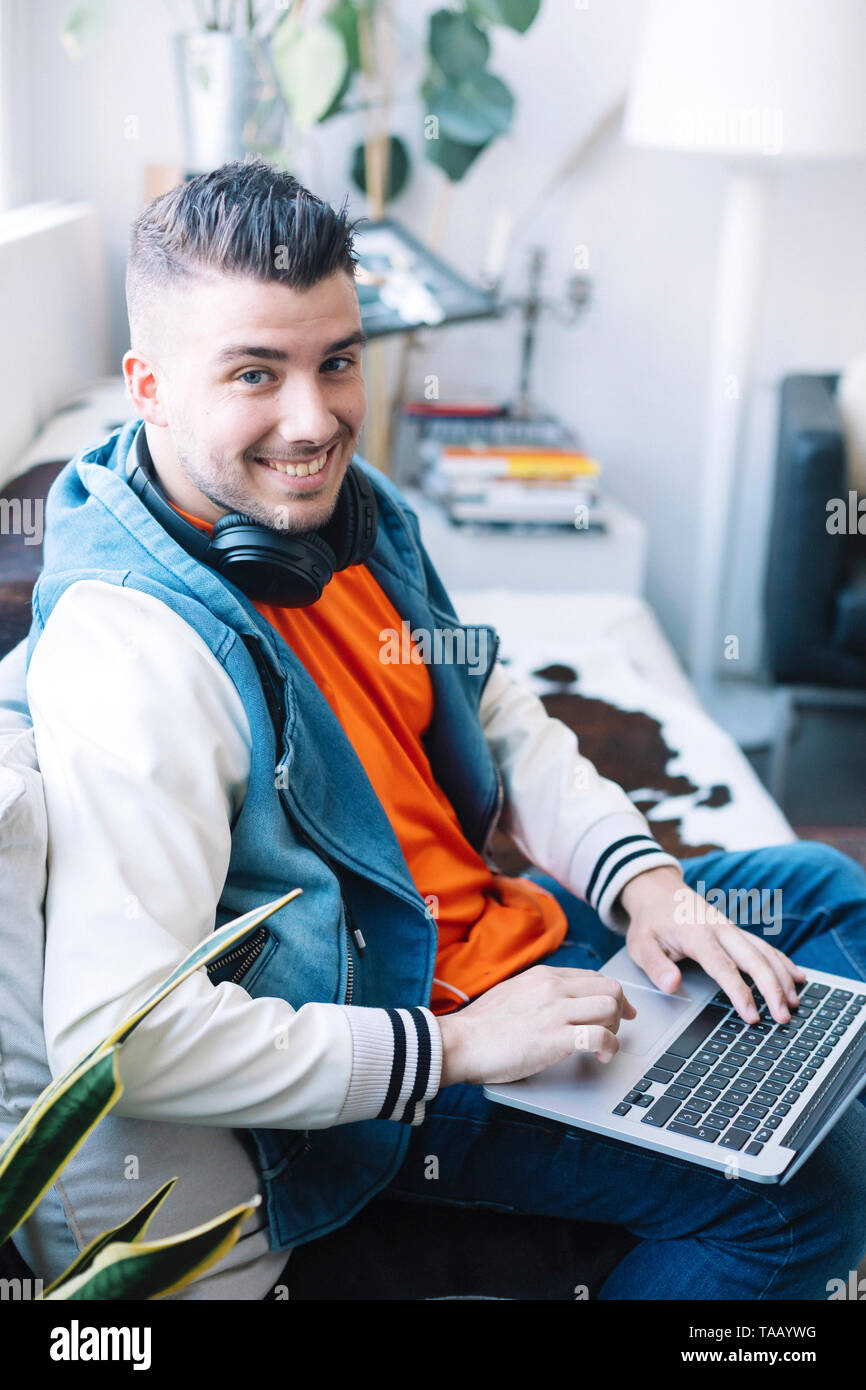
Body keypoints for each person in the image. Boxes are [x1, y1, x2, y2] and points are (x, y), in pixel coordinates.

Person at [22, 159, 866, 1300]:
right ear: (149, 386)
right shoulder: (137, 654)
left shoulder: (346, 515)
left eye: (336, 361)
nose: (312, 421)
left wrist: (644, 889)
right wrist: (460, 1048)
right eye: (254, 374)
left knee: (819, 891)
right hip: (408, 1057)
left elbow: (491, 708)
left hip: (495, 931)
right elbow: (120, 1043)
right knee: (811, 1199)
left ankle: (745, 1100)